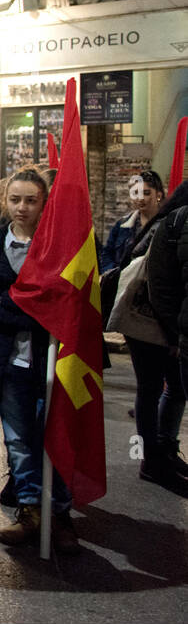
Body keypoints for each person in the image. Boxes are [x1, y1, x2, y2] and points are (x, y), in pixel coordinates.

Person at [0, 169, 80, 553]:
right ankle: (30, 509)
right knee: (18, 439)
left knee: (56, 435)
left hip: (55, 359)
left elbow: (65, 306)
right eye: (15, 199)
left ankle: (60, 512)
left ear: (44, 202)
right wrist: (13, 312)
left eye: (31, 200)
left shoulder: (58, 247)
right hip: (7, 361)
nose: (22, 207)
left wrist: (11, 306)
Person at [140, 183, 188, 496]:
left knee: (175, 390)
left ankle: (165, 450)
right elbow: (160, 285)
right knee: (152, 388)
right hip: (149, 323)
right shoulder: (171, 223)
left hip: (174, 328)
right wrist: (176, 331)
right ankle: (152, 459)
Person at [101, 171, 165, 274]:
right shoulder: (122, 225)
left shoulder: (166, 225)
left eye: (146, 193)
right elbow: (107, 253)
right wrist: (113, 274)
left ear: (158, 195)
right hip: (121, 284)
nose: (140, 198)